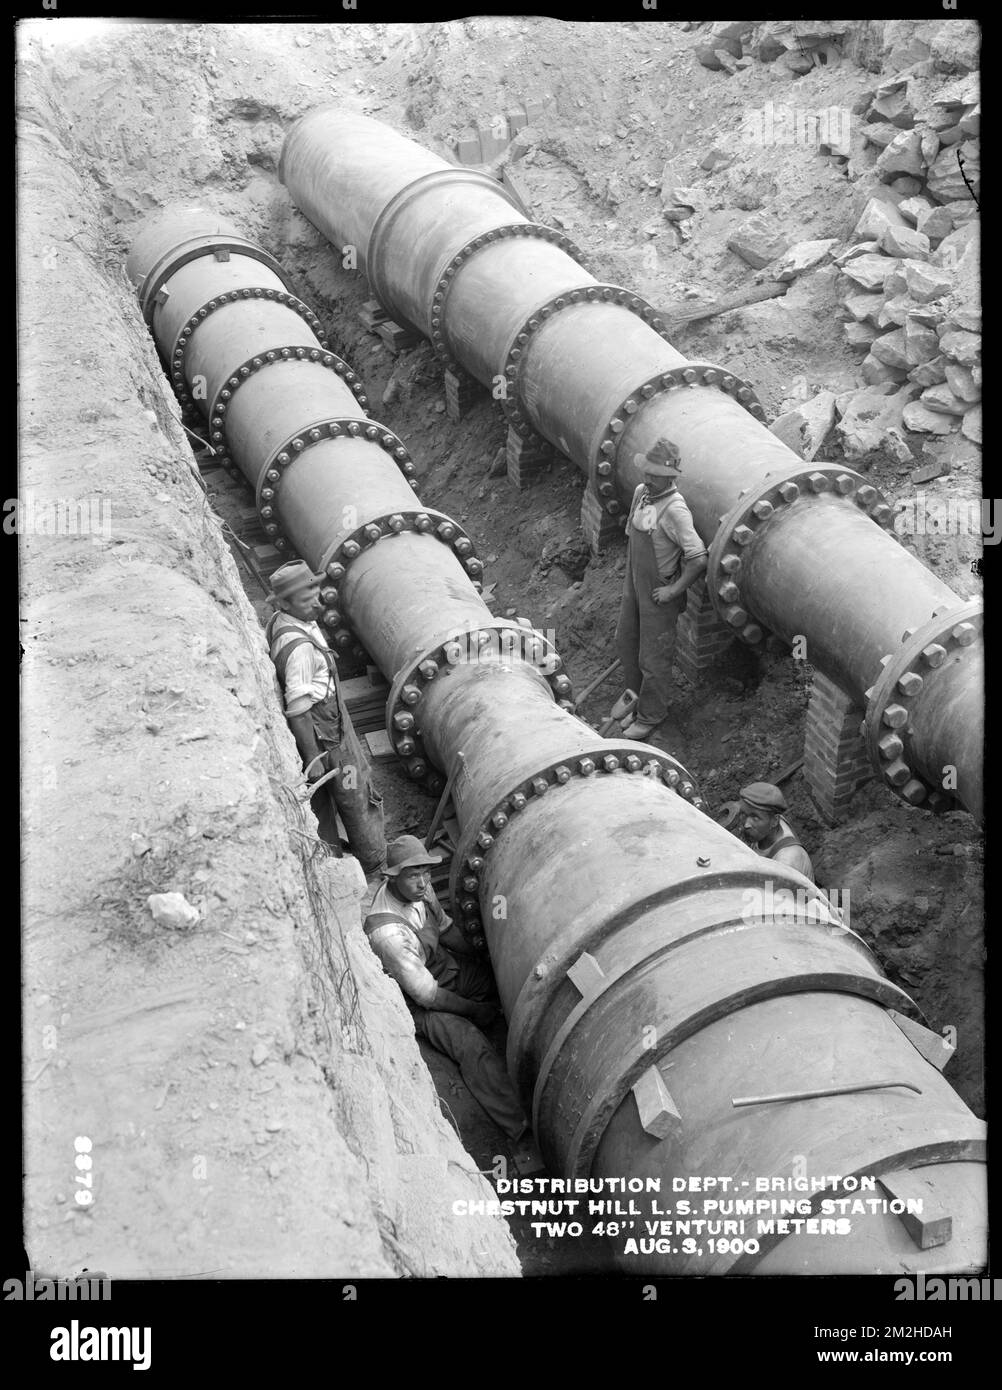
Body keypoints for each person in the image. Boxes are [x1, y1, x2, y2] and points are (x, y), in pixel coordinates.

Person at [364, 835, 544, 1173]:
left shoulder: (422, 891)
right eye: (412, 875)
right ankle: (520, 1129)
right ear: (392, 877)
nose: (422, 882)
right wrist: (474, 1011)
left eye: (425, 873)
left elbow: (446, 931)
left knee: (493, 982)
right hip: (417, 1003)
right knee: (470, 1043)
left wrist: (486, 956)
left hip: (440, 968)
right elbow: (427, 996)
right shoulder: (387, 932)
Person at [264, 560, 385, 873]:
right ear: (284, 603)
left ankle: (335, 856)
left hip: (332, 719)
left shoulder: (289, 620)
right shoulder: (299, 649)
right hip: (327, 734)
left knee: (337, 799)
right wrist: (315, 760)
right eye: (308, 600)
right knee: (356, 794)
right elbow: (299, 709)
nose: (318, 603)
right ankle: (372, 862)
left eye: (317, 594)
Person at [615, 437, 708, 740]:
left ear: (669, 476)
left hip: (658, 590)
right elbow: (634, 534)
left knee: (653, 658)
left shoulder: (675, 510)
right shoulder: (643, 493)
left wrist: (674, 591)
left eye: (653, 473)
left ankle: (651, 715)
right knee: (626, 640)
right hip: (635, 583)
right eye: (647, 471)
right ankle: (634, 700)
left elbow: (698, 558)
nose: (646, 477)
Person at [738, 782, 815, 883]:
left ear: (775, 821)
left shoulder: (786, 863)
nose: (746, 824)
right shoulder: (772, 822)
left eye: (755, 817)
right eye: (744, 814)